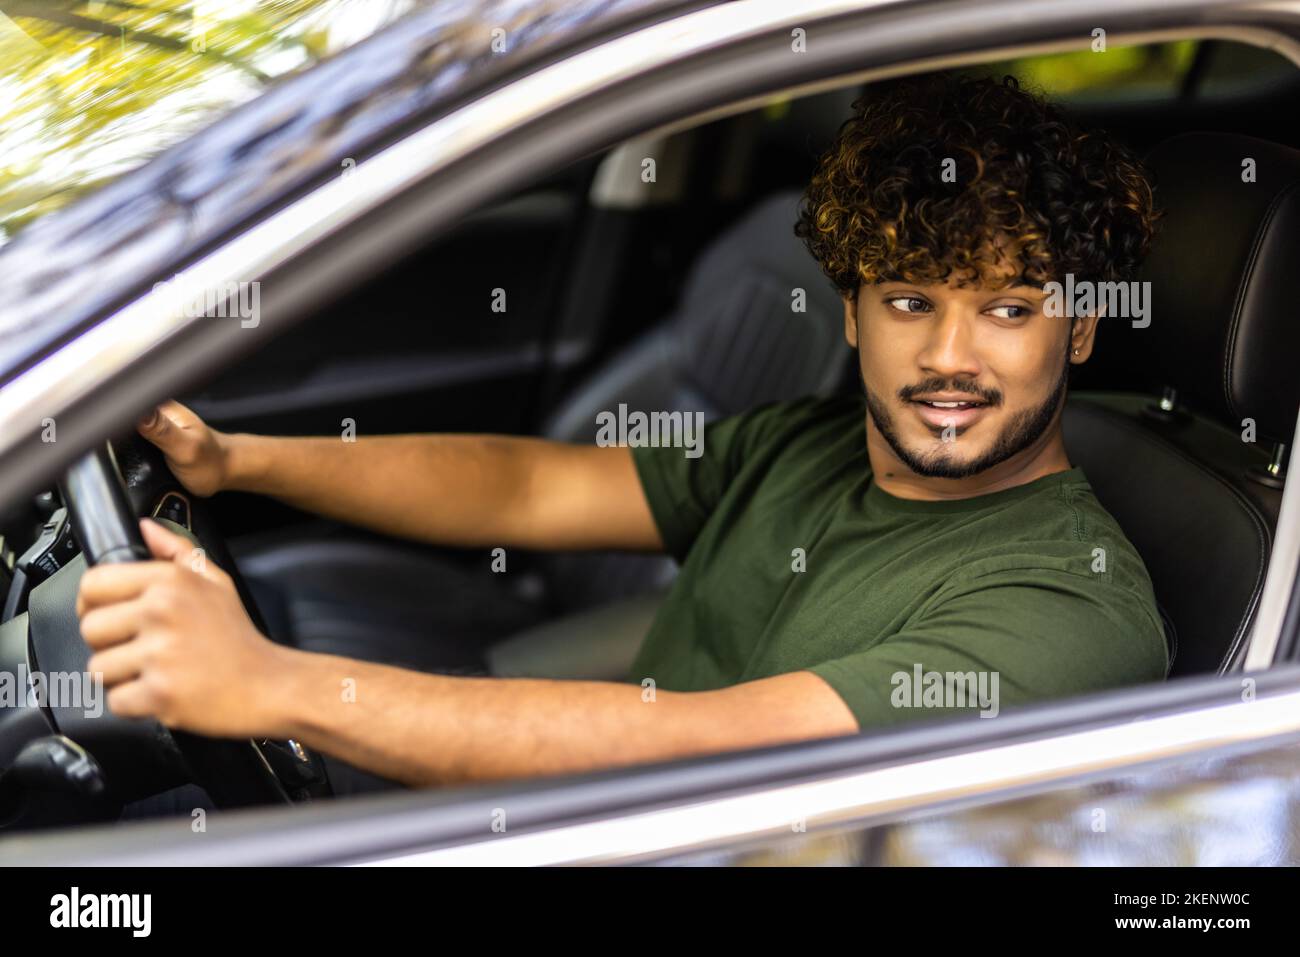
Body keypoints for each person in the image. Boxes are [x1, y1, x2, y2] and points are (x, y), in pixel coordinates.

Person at [78, 73, 1168, 790]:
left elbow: (700, 751)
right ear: (848, 312)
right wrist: (234, 463)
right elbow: (524, 491)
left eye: (1010, 310)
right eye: (909, 300)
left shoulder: (1065, 607)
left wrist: (274, 684)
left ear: (1078, 333)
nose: (948, 359)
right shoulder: (806, 445)